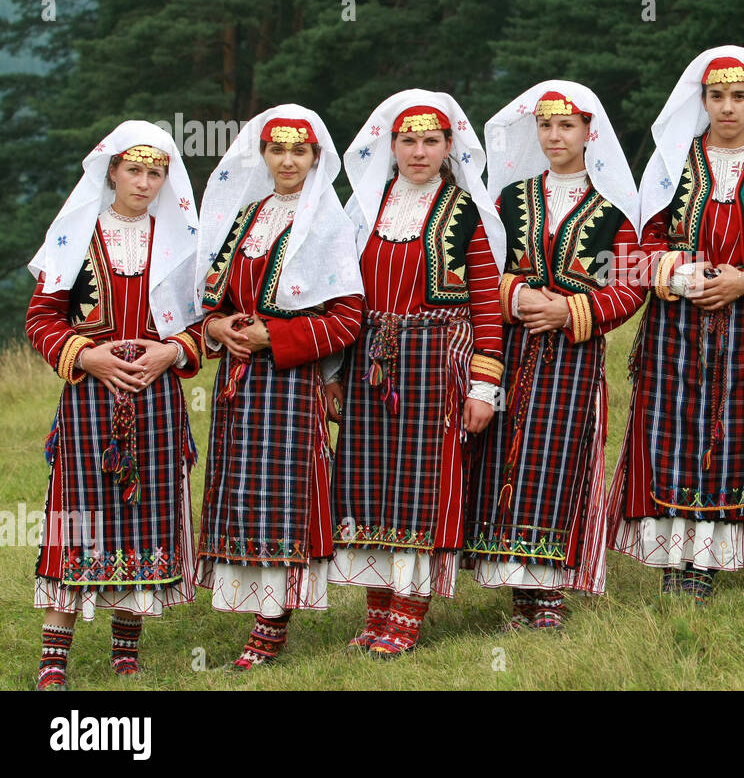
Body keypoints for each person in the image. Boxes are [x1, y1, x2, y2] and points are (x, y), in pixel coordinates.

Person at [609, 46, 744, 601]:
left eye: (739, 97)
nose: (727, 107)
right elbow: (636, 244)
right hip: (674, 324)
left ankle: (709, 561)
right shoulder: (671, 164)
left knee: (734, 434)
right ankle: (673, 558)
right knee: (671, 433)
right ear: (701, 101)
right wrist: (683, 275)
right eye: (717, 96)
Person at [26, 121, 203, 689]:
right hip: (88, 401)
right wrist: (88, 356)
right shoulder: (75, 240)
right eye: (135, 170)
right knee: (76, 520)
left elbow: (205, 326)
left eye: (156, 173)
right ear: (112, 172)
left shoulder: (180, 248)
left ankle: (126, 648)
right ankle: (55, 655)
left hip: (157, 401)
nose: (145, 182)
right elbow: (41, 318)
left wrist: (171, 352)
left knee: (144, 517)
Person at [463, 81, 644, 629]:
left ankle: (550, 592)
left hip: (574, 357)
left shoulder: (615, 209)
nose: (555, 135)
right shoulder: (509, 200)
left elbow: (633, 286)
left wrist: (569, 312)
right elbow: (484, 268)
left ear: (591, 132)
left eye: (567, 125)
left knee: (559, 458)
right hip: (514, 350)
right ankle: (516, 590)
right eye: (546, 125)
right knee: (506, 460)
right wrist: (516, 296)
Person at [328, 91, 504, 654]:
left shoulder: (467, 211)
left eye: (432, 141)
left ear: (450, 146)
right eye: (408, 140)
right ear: (392, 145)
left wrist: (484, 386)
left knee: (422, 486)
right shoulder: (366, 208)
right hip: (368, 363)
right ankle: (376, 611)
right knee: (368, 484)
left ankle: (408, 615)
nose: (419, 151)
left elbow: (486, 306)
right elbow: (340, 294)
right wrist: (332, 372)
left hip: (438, 365)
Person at [195, 105, 364, 669]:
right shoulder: (246, 219)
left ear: (317, 158)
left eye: (300, 151)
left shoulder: (328, 223)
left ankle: (271, 629)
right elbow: (212, 301)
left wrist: (276, 336)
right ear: (262, 156)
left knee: (285, 500)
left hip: (293, 384)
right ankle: (257, 613)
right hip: (239, 385)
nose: (287, 161)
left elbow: (347, 319)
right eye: (277, 150)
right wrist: (218, 326)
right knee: (245, 495)